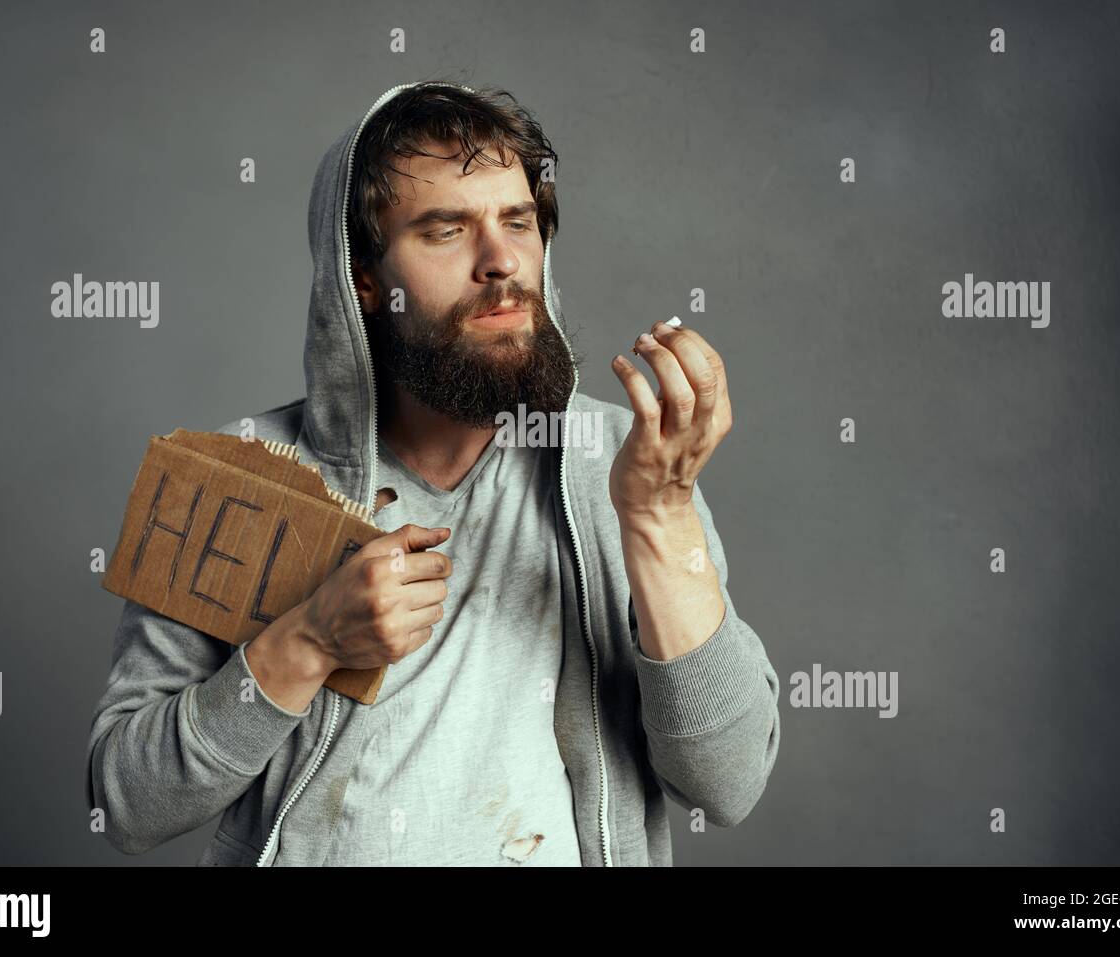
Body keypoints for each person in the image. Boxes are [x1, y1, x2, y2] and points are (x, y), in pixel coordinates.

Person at [86, 79, 781, 866]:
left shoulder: (629, 465)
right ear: (365, 281)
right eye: (447, 230)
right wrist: (308, 642)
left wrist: (660, 519)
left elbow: (727, 785)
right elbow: (125, 805)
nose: (502, 260)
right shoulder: (239, 476)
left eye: (518, 221)